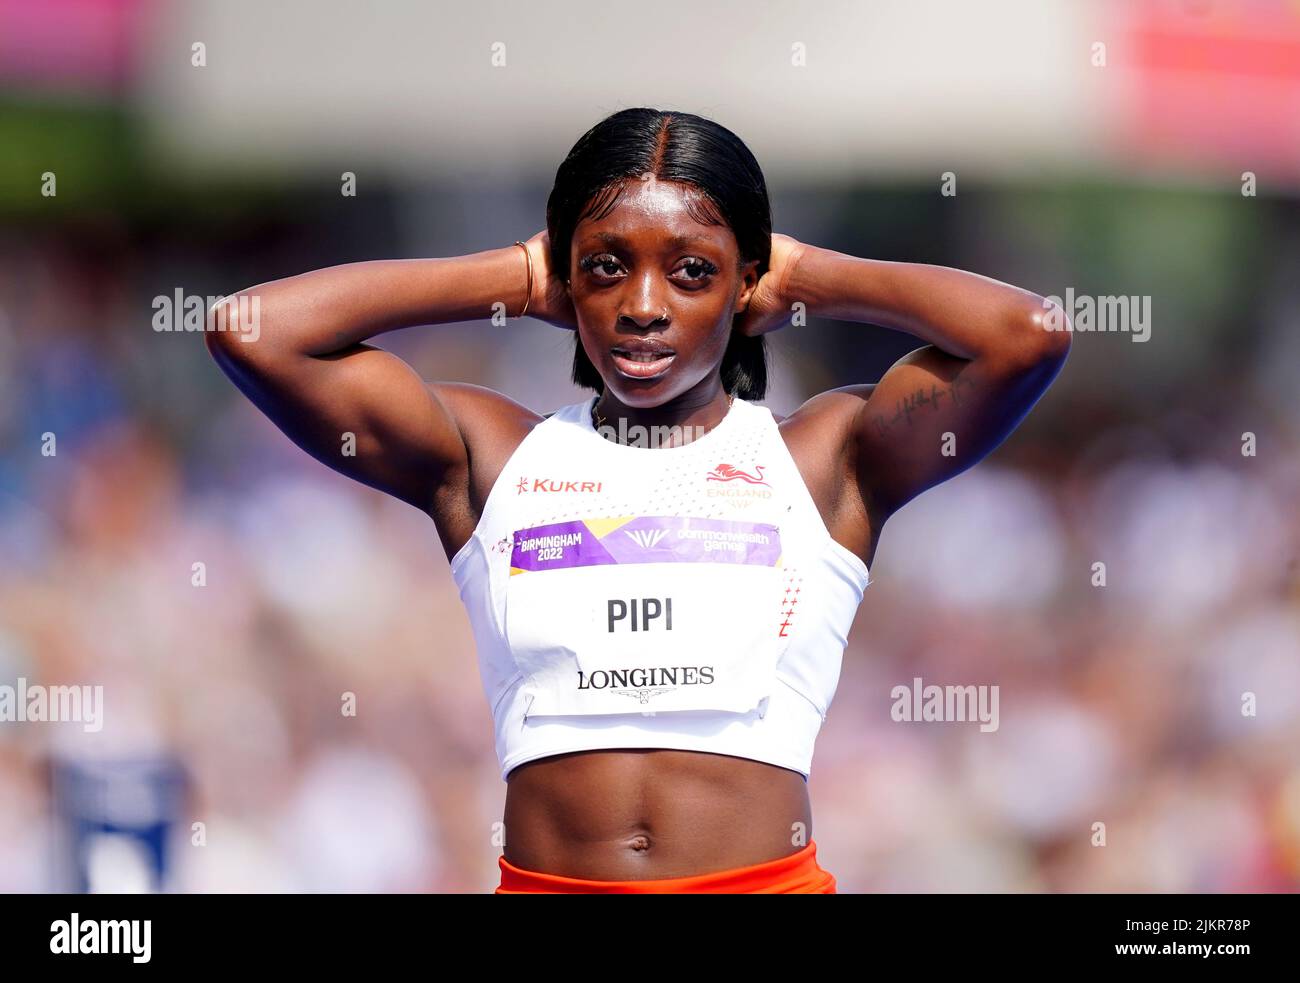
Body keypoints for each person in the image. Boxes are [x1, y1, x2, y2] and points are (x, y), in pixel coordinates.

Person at [205, 107, 1070, 893]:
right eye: (607, 267)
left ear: (748, 283)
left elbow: (1027, 335)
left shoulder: (826, 458)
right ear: (566, 279)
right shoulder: (492, 457)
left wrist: (808, 274)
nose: (644, 306)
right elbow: (252, 329)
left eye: (693, 271)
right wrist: (511, 275)